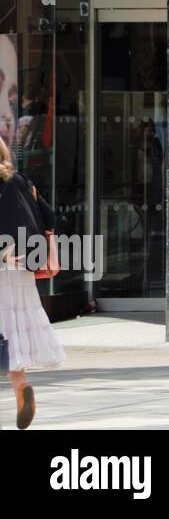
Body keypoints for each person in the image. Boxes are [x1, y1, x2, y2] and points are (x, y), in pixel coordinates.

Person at [0, 137, 65, 429]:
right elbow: (49, 216)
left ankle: (20, 389)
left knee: (5, 331)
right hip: (22, 269)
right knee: (14, 332)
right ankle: (20, 388)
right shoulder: (21, 181)